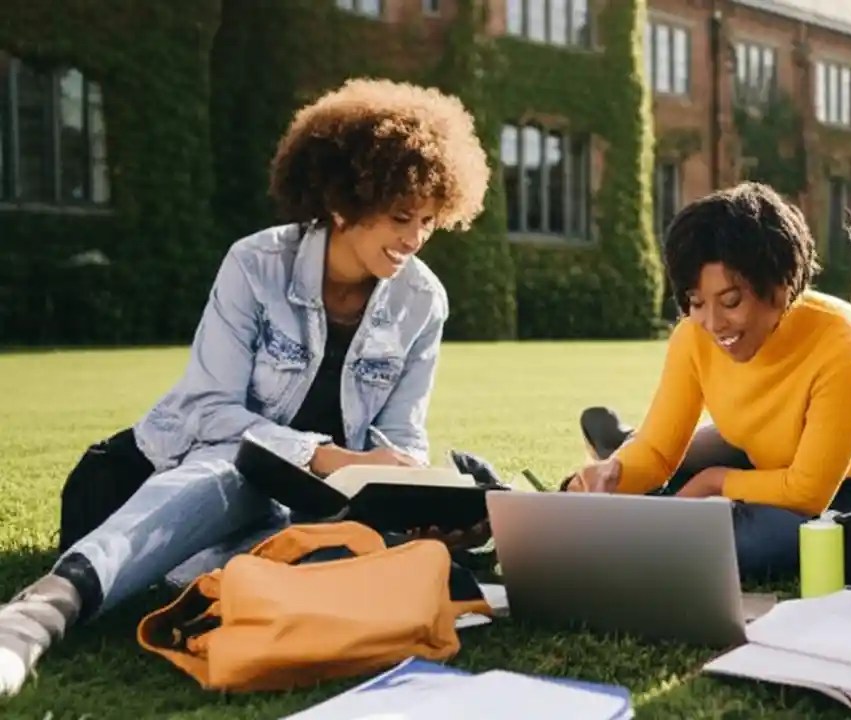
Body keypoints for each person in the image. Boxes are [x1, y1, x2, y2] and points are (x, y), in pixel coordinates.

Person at [0, 77, 491, 694]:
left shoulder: (423, 300)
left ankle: (242, 581)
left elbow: (399, 435)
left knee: (346, 550)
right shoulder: (256, 265)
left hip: (291, 503)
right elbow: (210, 411)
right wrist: (322, 454)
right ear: (344, 201)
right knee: (231, 471)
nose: (415, 239)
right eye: (400, 217)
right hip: (153, 478)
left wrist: (414, 491)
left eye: (429, 221)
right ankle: (37, 614)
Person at [567, 182, 851, 581]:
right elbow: (658, 452)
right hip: (754, 455)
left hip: (837, 494)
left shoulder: (840, 339)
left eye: (731, 301)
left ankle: (658, 491)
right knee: (654, 483)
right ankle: (617, 450)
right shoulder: (693, 336)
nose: (714, 324)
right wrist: (610, 478)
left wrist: (712, 483)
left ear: (780, 286)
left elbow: (808, 492)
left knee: (744, 543)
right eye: (697, 303)